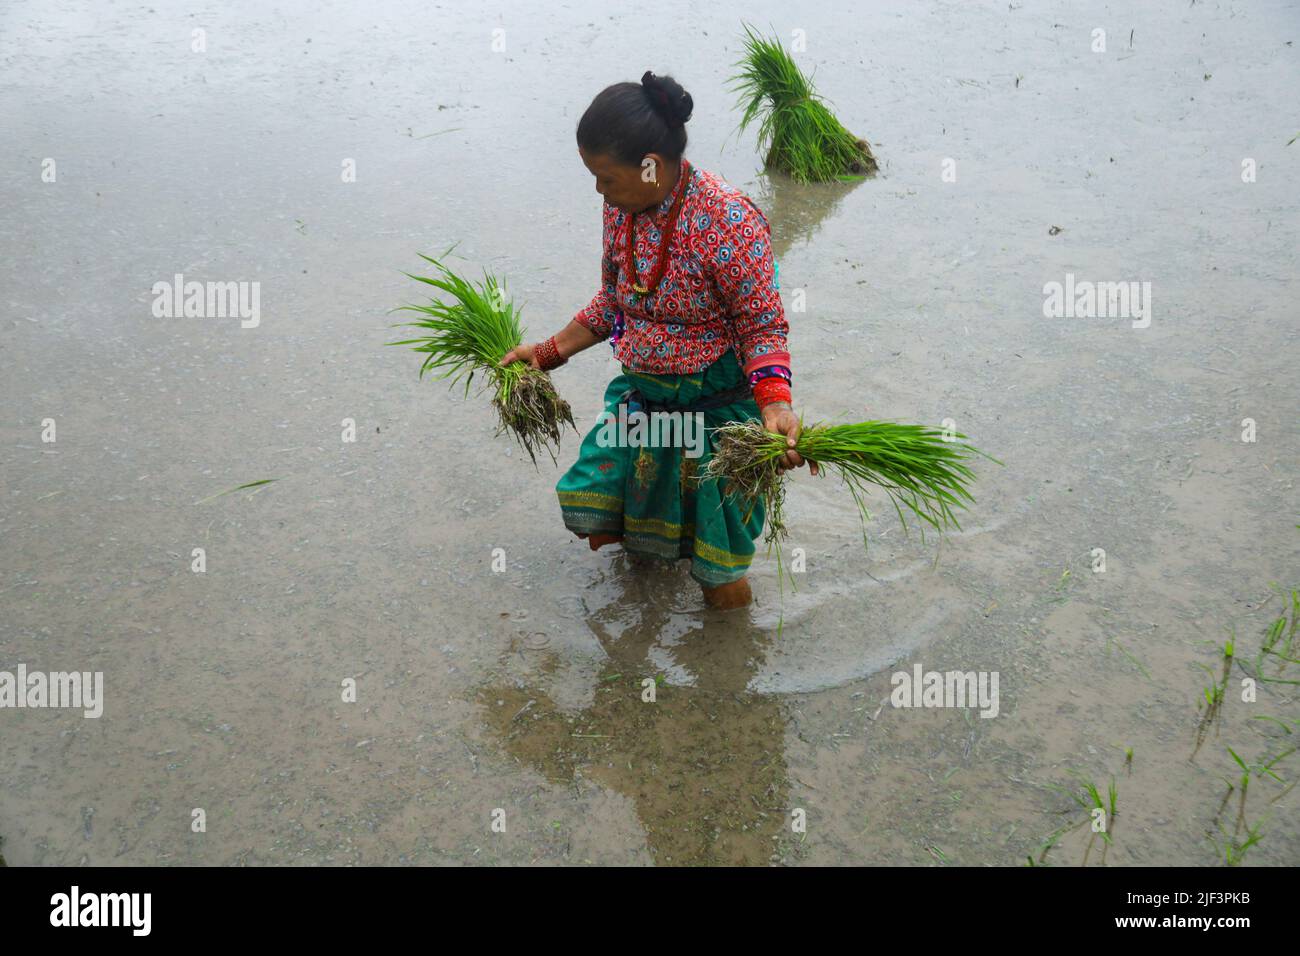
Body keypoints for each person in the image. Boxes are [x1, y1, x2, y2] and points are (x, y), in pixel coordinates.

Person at [500, 71, 816, 610]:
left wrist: (776, 407)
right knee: (624, 525)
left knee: (716, 567)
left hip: (715, 421)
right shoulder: (622, 210)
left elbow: (761, 325)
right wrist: (548, 353)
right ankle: (639, 642)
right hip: (646, 409)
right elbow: (615, 301)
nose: (600, 190)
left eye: (606, 177)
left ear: (651, 164)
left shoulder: (729, 219)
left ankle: (731, 670)